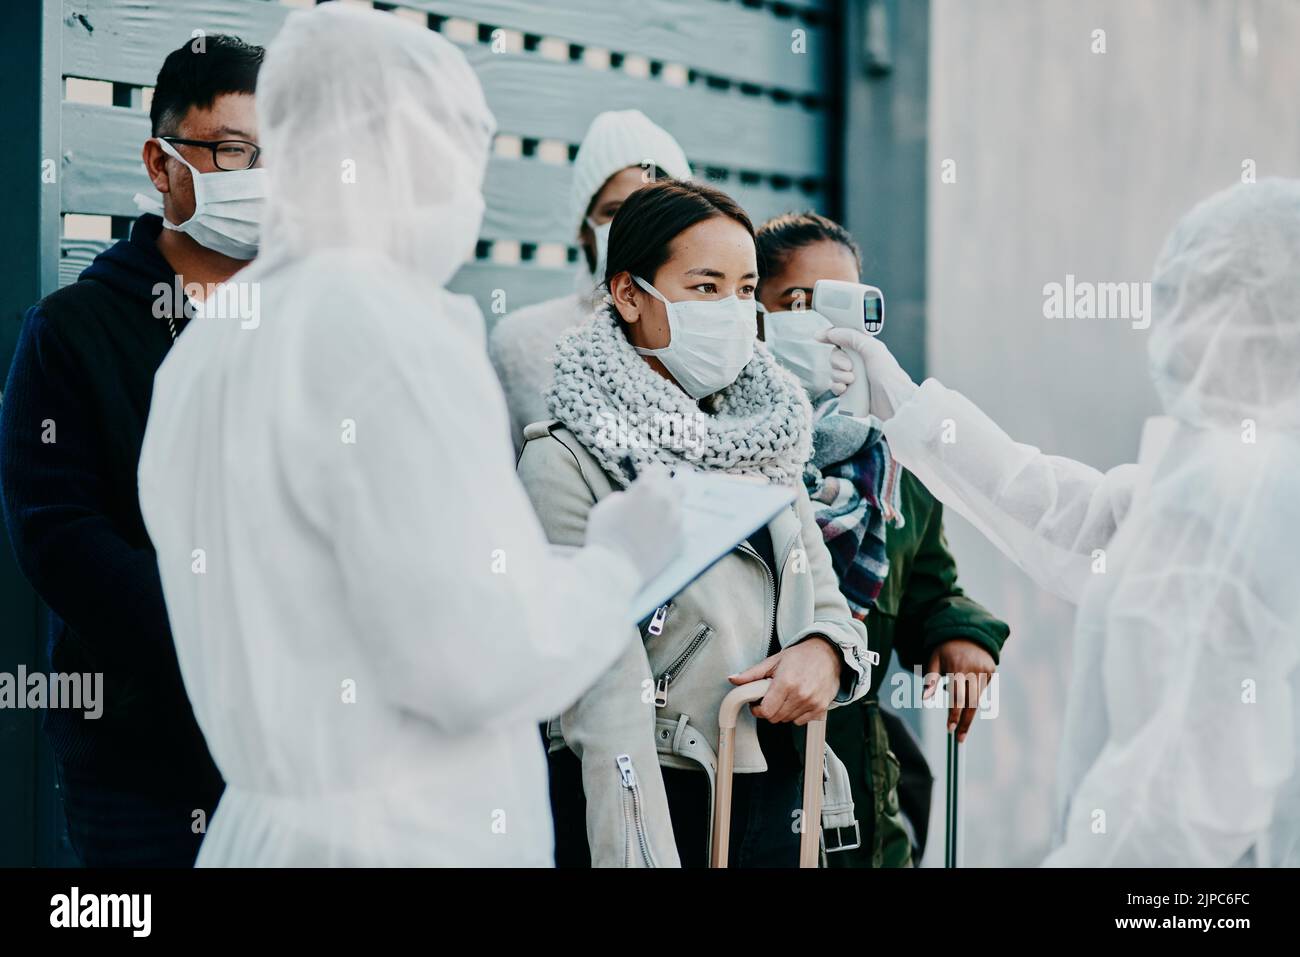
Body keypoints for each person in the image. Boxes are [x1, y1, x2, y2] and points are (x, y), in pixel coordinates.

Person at [136, 4, 684, 867]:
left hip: (264, 833)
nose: (468, 193)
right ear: (396, 150)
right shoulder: (389, 330)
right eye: (457, 156)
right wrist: (615, 569)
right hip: (411, 835)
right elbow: (477, 652)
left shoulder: (208, 349)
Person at [830, 179, 1300, 866]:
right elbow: (1064, 510)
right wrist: (911, 408)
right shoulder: (1237, 464)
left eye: (1190, 301)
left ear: (1247, 318)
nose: (1167, 322)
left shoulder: (1236, 490)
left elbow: (1183, 802)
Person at [516, 179, 874, 867]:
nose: (734, 312)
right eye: (705, 288)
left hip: (774, 788)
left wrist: (824, 650)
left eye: (745, 290)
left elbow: (823, 595)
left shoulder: (766, 433)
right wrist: (640, 850)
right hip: (656, 794)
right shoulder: (564, 457)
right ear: (628, 294)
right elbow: (601, 691)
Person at [0, 34, 265, 867]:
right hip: (141, 765)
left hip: (293, 755)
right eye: (231, 151)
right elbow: (60, 535)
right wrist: (229, 629)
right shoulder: (75, 330)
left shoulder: (306, 324)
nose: (258, 178)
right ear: (161, 163)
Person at [755, 211, 1010, 867]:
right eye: (797, 302)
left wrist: (958, 631)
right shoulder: (716, 451)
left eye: (840, 303)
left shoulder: (893, 465)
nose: (822, 324)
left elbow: (928, 586)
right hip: (739, 792)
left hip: (857, 807)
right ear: (752, 311)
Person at [488, 110, 691, 450]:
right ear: (583, 230)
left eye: (653, 207)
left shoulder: (712, 335)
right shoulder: (521, 343)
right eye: (614, 211)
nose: (634, 225)